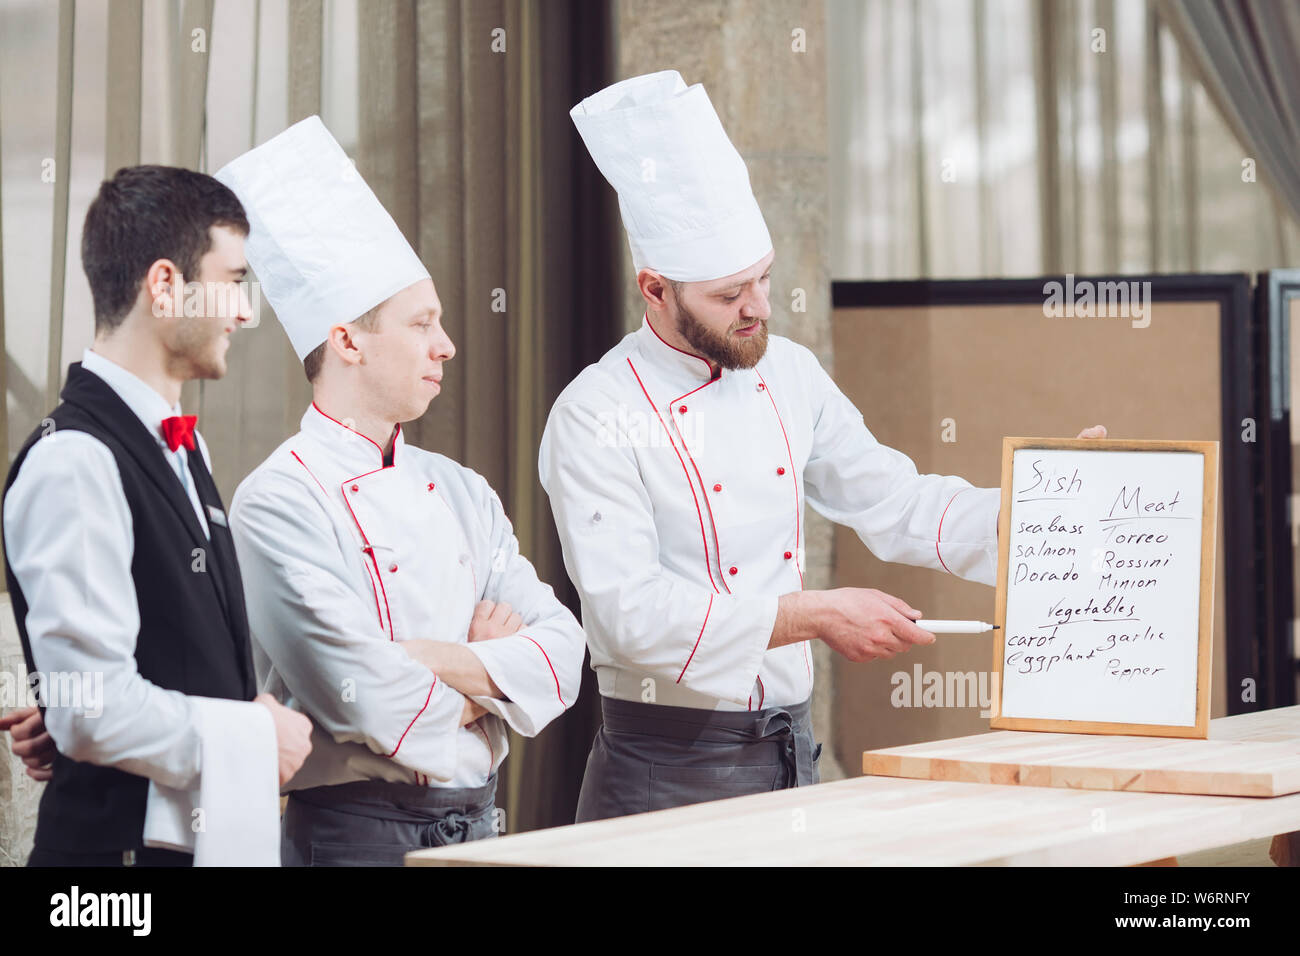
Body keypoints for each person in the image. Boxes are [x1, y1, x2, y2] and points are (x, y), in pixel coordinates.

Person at [539, 70, 1108, 822]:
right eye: (729, 294)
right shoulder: (594, 412)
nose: (760, 309)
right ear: (655, 290)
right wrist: (808, 616)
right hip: (664, 769)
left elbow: (895, 501)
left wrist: (1039, 509)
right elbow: (628, 615)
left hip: (789, 755)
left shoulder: (790, 375)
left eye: (766, 279)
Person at [215, 116, 586, 866]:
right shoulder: (277, 501)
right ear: (348, 340)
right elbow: (370, 699)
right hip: (355, 838)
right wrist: (489, 673)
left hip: (483, 831)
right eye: (422, 323)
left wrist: (424, 654)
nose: (446, 344)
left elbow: (564, 659)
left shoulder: (462, 490)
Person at [1, 165, 311, 866]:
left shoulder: (180, 443)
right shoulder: (74, 462)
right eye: (233, 281)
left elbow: (132, 676)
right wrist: (252, 736)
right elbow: (93, 712)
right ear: (166, 285)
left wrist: (72, 714)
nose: (243, 310)